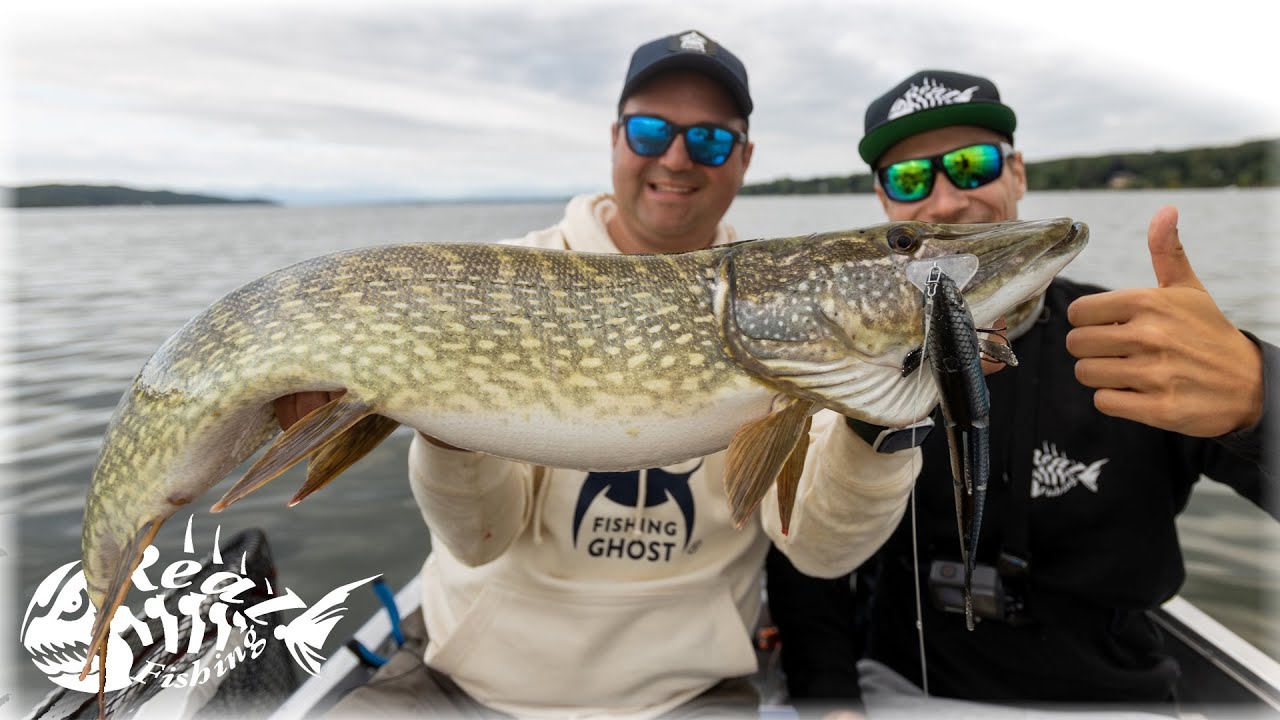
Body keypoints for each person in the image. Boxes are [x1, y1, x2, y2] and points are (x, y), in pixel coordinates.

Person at [276, 32, 921, 719]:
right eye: (650, 131)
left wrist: (877, 416)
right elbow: (477, 540)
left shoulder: (790, 303)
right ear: (616, 138)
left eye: (708, 141)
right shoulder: (503, 281)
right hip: (465, 685)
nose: (675, 158)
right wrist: (447, 428)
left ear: (745, 157)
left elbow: (820, 552)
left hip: (687, 695)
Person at [765, 69, 1278, 716]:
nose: (947, 202)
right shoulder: (846, 359)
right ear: (885, 201)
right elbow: (808, 558)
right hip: (903, 691)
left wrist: (1262, 395)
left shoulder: (1130, 340)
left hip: (1111, 700)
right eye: (910, 179)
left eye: (972, 164)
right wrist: (831, 700)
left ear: (1018, 173)